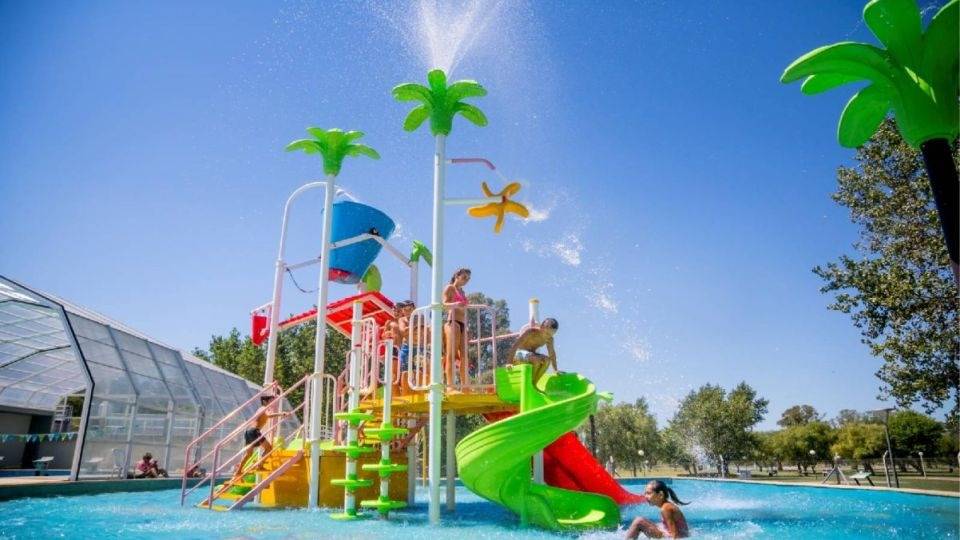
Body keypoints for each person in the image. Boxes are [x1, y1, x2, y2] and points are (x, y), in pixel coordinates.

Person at [234, 394, 285, 480]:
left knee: (249, 454)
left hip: (248, 431)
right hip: (254, 431)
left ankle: (238, 472)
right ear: (265, 401)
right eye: (270, 401)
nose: (272, 403)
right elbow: (269, 415)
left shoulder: (260, 409)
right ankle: (259, 465)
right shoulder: (264, 408)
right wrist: (281, 414)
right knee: (269, 448)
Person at [625, 480, 690, 539]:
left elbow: (675, 534)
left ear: (660, 495)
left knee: (639, 521)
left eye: (648, 493)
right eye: (645, 493)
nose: (645, 496)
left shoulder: (666, 508)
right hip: (672, 533)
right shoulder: (666, 506)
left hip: (678, 536)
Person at [506, 318, 559, 384]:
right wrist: (509, 363)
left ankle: (534, 383)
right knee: (536, 359)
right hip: (518, 355)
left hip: (531, 356)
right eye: (547, 333)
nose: (548, 336)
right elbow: (515, 345)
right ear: (541, 327)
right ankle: (529, 383)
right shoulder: (531, 332)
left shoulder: (549, 339)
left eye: (551, 335)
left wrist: (555, 370)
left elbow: (552, 354)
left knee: (547, 360)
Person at [442, 268, 471, 388]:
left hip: (463, 323)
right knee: (451, 354)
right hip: (453, 322)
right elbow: (443, 305)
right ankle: (450, 385)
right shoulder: (450, 288)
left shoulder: (462, 291)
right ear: (457, 276)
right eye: (464, 277)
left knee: (464, 356)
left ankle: (465, 386)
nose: (466, 280)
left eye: (468, 279)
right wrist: (456, 304)